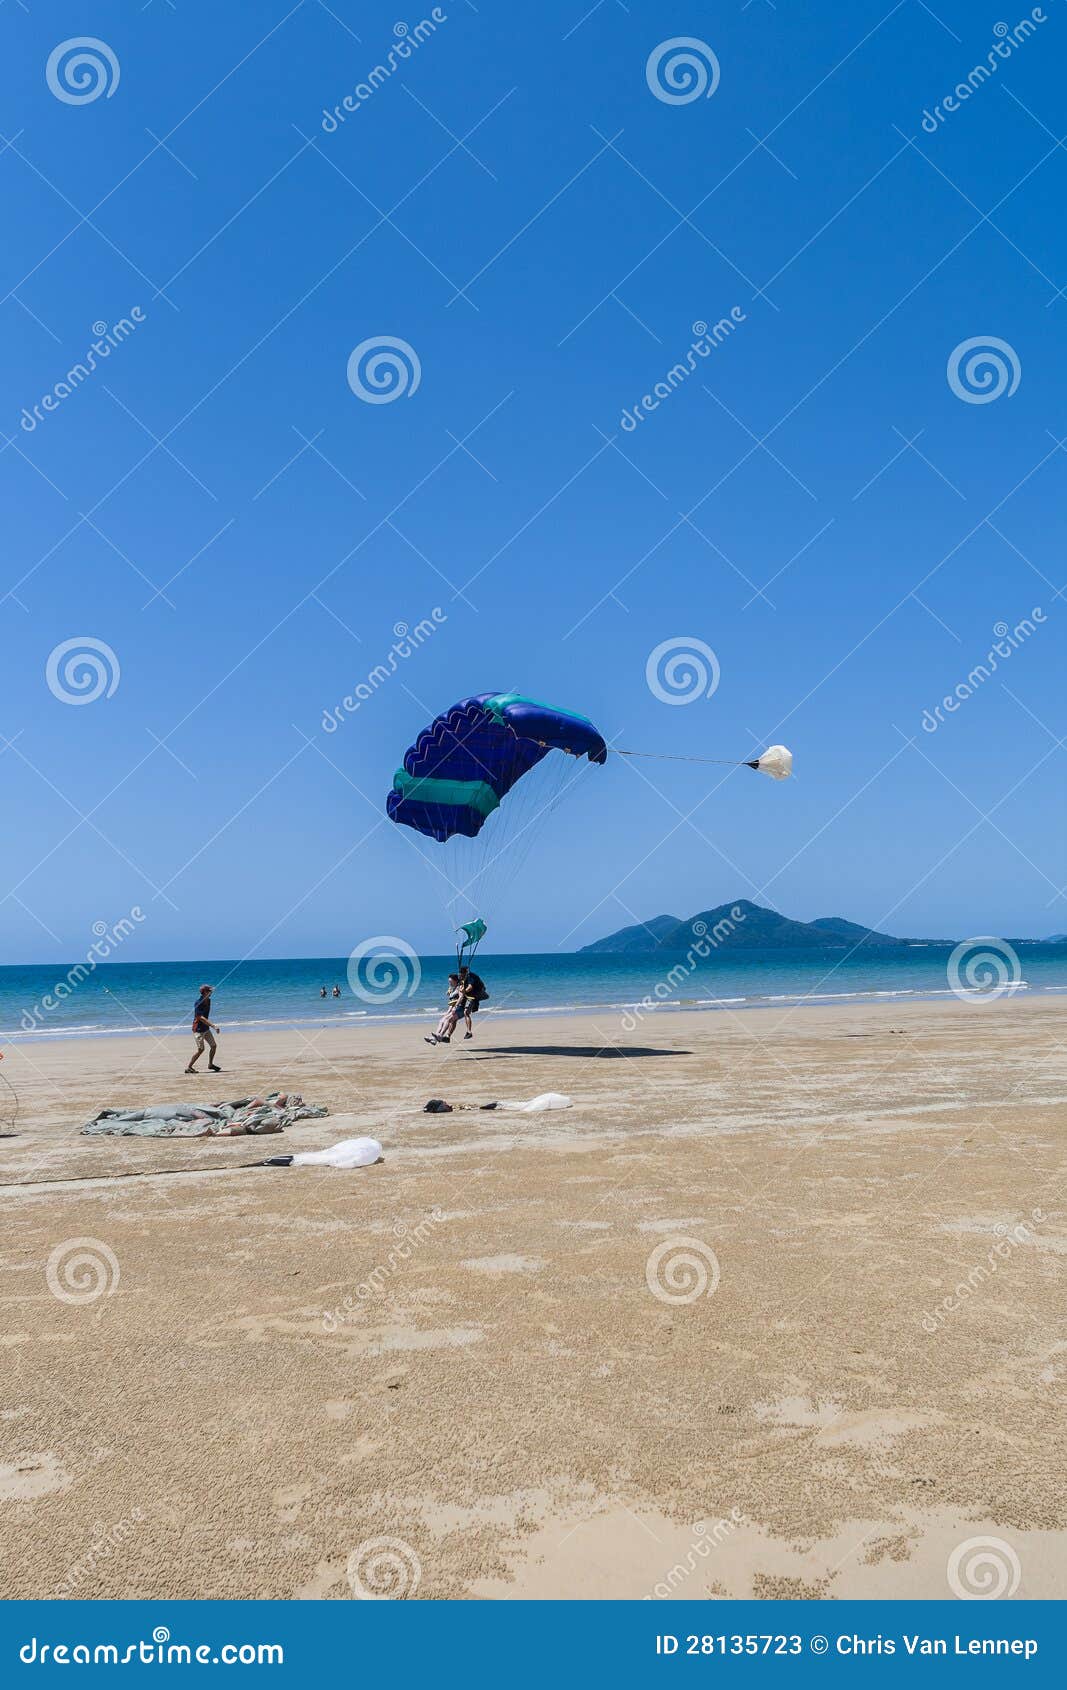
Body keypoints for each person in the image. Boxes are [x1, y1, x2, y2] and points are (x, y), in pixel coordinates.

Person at [186, 985, 221, 1074]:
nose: (211, 992)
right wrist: (213, 1026)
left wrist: (210, 1026)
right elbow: (201, 1017)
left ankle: (210, 1064)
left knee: (213, 1046)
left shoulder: (208, 1001)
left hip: (205, 1028)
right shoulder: (198, 1003)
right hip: (198, 1029)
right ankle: (189, 1067)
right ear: (205, 992)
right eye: (210, 991)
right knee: (201, 1049)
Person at [425, 974, 463, 1045]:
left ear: (455, 981)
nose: (449, 983)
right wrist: (448, 1011)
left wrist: (455, 1007)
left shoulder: (459, 987)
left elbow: (461, 997)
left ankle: (440, 1035)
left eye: (451, 981)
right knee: (441, 1020)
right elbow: (451, 1002)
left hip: (460, 1009)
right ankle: (435, 1039)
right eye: (449, 981)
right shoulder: (452, 988)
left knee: (447, 1020)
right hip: (452, 1009)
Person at [458, 965, 488, 1041]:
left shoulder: (470, 976)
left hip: (479, 994)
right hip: (475, 994)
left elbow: (470, 987)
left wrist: (464, 991)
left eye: (461, 973)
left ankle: (469, 1032)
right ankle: (475, 1003)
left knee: (466, 1013)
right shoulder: (464, 977)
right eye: (460, 973)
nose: (460, 974)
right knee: (466, 1010)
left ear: (465, 972)